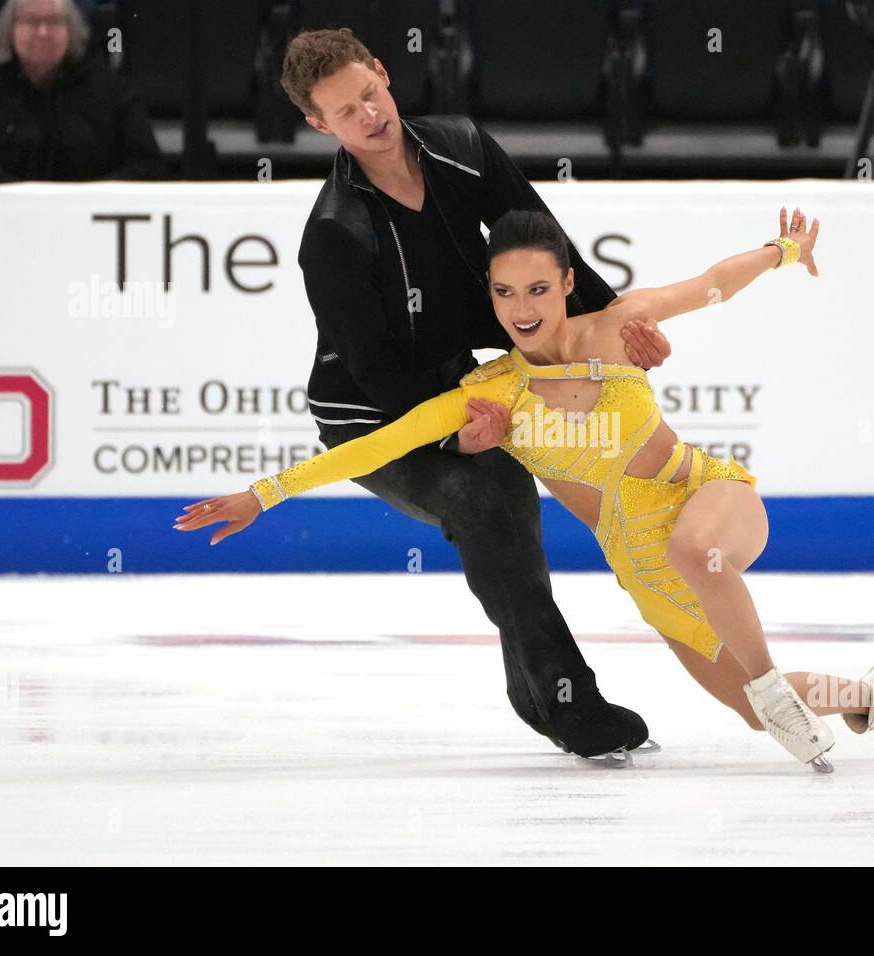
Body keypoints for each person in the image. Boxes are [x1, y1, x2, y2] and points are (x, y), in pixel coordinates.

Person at [175, 204, 874, 773]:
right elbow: (379, 444)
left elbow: (710, 285)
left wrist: (783, 250)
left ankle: (766, 683)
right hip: (641, 568)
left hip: (706, 499)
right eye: (505, 293)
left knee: (698, 553)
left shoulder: (617, 329)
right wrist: (265, 493)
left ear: (568, 283)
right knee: (757, 716)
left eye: (539, 287)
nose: (523, 308)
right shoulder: (491, 394)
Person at [266, 28, 673, 761]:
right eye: (346, 111)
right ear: (319, 124)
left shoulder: (460, 146)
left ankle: (540, 691)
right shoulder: (335, 233)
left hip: (455, 375)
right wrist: (454, 437)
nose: (370, 115)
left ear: (383, 73)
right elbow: (373, 371)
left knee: (508, 502)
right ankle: (569, 700)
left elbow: (548, 251)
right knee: (483, 500)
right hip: (372, 413)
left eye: (370, 93)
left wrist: (617, 330)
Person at [0, 0, 165, 182]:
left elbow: (147, 166)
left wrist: (86, 200)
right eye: (31, 21)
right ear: (9, 30)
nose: (43, 32)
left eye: (54, 22)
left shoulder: (114, 92)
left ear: (71, 30)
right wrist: (27, 201)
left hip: (91, 219)